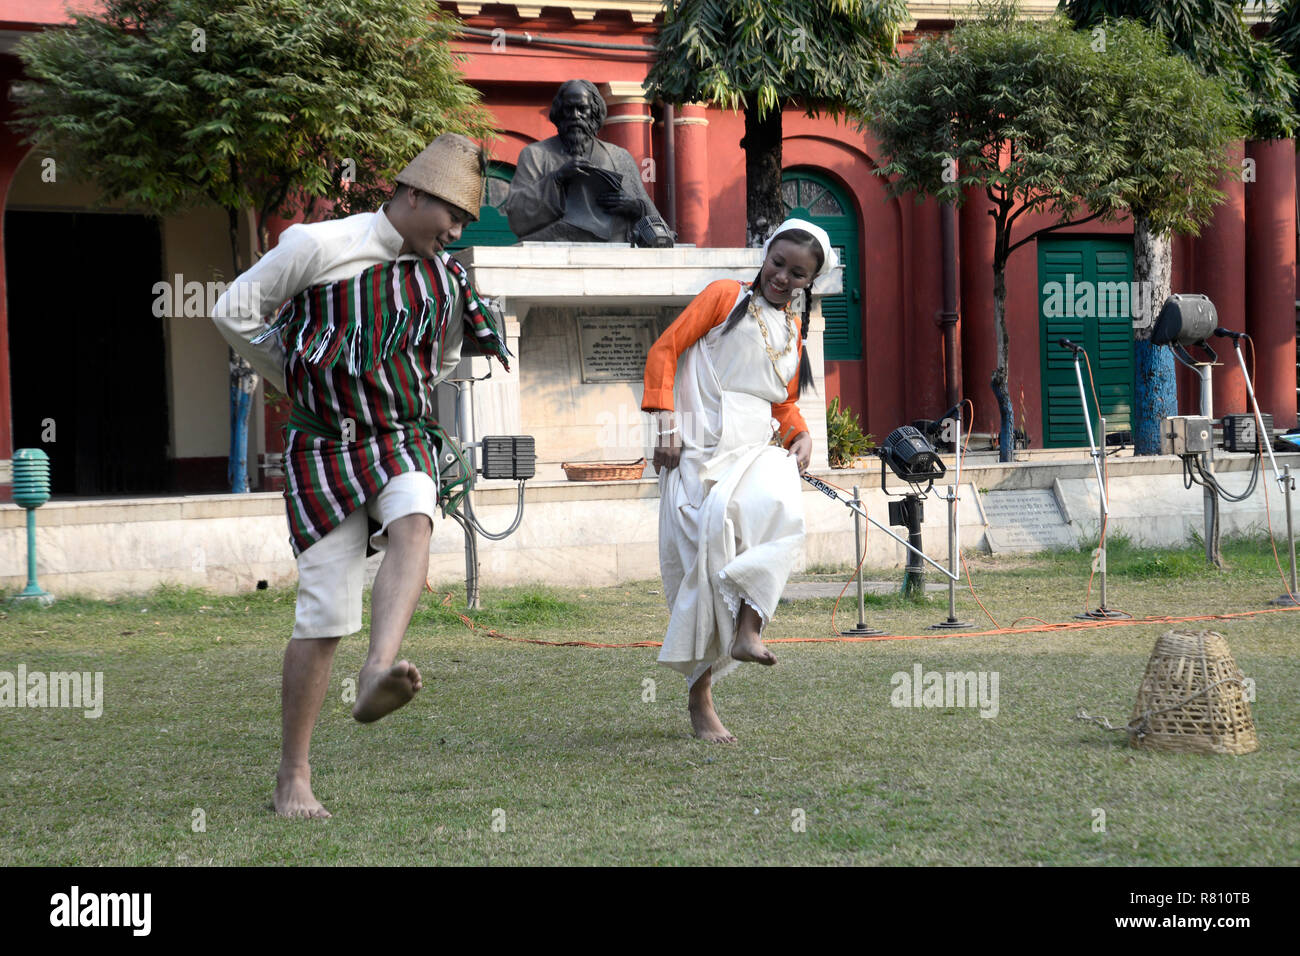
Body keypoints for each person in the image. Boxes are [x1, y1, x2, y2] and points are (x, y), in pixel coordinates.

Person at [210, 133, 509, 818]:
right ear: (410, 195)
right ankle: (294, 775)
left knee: (415, 518)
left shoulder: (442, 274)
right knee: (323, 615)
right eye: (452, 218)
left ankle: (378, 668)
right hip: (321, 446)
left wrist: (391, 393)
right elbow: (233, 310)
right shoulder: (317, 247)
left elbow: (444, 353)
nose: (457, 233)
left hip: (399, 437)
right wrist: (296, 375)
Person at [641, 219, 836, 743]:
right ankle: (700, 695)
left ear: (809, 282)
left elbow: (783, 401)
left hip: (752, 450)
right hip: (697, 451)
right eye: (778, 263)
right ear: (765, 255)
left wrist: (800, 435)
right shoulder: (723, 296)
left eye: (798, 274)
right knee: (703, 565)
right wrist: (665, 425)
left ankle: (750, 628)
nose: (783, 278)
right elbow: (664, 350)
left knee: (782, 506)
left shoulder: (793, 330)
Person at [505, 79, 662, 243]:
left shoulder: (619, 157)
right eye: (568, 109)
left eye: (582, 109)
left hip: (613, 252)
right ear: (560, 112)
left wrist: (635, 206)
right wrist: (557, 178)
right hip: (555, 247)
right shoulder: (535, 155)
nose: (575, 116)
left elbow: (654, 219)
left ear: (593, 112)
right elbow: (516, 214)